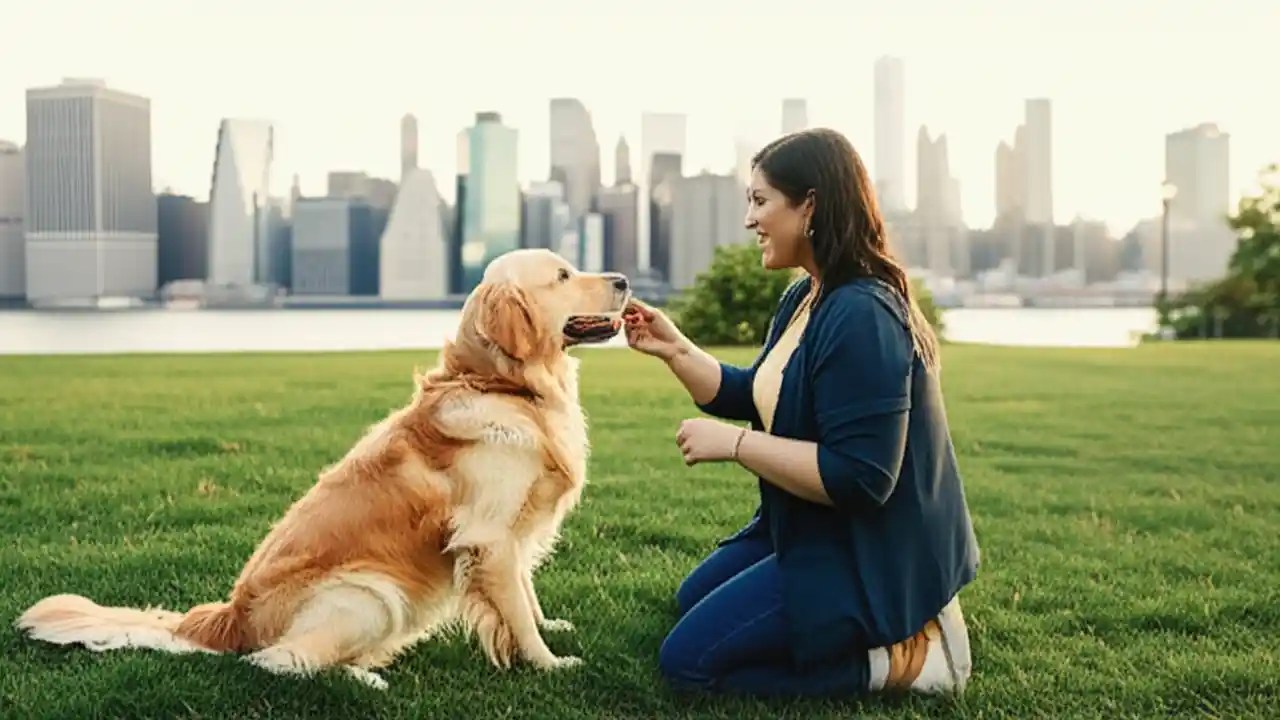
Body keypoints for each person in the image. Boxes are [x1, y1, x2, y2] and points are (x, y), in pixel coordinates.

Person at [622, 128, 980, 699]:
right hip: (809, 528)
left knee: (689, 665)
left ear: (809, 205)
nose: (749, 220)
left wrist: (735, 446)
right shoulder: (807, 295)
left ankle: (914, 659)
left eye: (760, 201)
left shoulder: (861, 312)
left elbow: (861, 477)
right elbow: (756, 393)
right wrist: (676, 349)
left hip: (868, 552)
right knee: (692, 600)